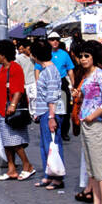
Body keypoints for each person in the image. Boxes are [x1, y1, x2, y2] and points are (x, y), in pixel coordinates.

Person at [72, 40, 102, 204]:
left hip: (96, 124)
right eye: (81, 56)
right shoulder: (87, 75)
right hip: (87, 124)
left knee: (101, 168)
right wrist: (79, 96)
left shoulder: (99, 75)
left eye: (86, 56)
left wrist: (91, 116)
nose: (83, 59)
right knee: (92, 169)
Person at [0, 39, 35, 180]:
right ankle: (11, 169)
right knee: (7, 142)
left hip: (10, 110)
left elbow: (18, 89)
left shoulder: (15, 68)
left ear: (3, 54)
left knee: (15, 142)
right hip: (1, 109)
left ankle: (27, 165)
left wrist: (12, 105)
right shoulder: (3, 69)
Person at [31, 40, 66, 189]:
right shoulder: (47, 70)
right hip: (44, 112)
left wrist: (52, 117)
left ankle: (57, 177)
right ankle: (49, 174)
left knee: (53, 145)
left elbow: (52, 96)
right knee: (46, 145)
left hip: (50, 113)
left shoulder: (50, 72)